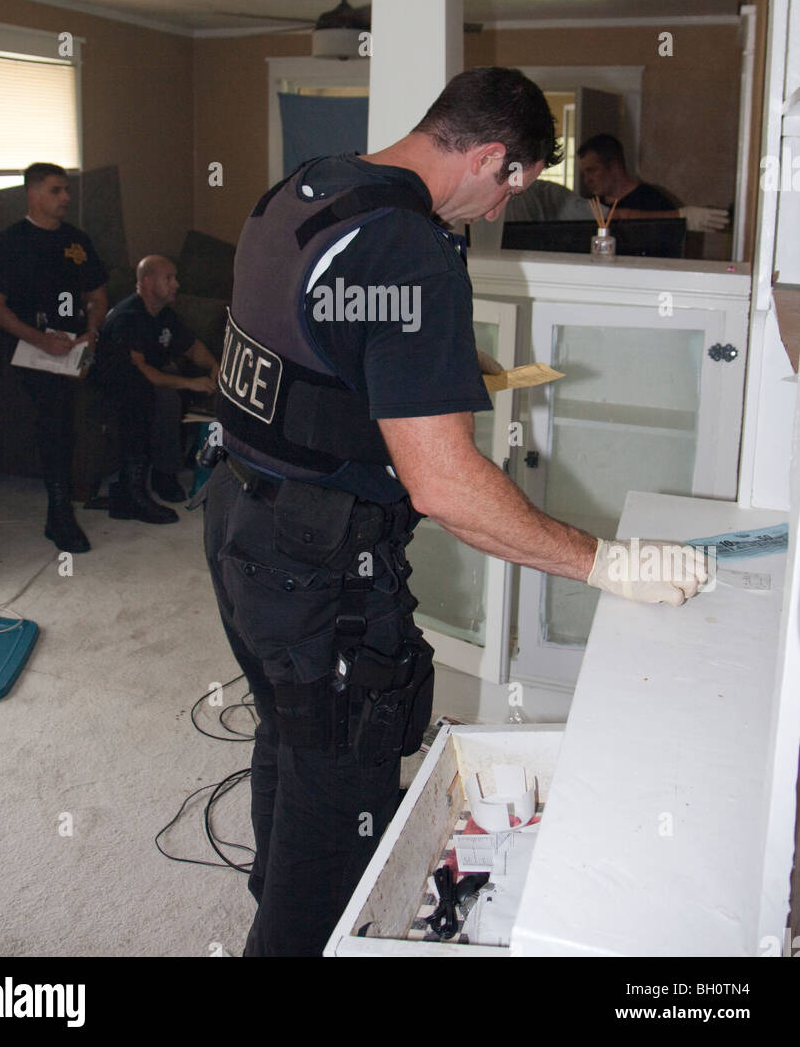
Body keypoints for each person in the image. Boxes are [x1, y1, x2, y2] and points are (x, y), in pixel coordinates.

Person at [201, 66, 708, 958]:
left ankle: (268, 901)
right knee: (340, 816)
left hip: (239, 525)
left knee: (287, 737)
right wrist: (607, 563)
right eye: (513, 184)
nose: (499, 208)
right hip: (322, 571)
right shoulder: (410, 248)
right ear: (491, 159)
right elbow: (444, 487)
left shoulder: (305, 190)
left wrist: (428, 364)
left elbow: (314, 340)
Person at [0, 163, 108, 553]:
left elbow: (98, 297)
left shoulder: (77, 241)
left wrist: (91, 333)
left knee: (129, 371)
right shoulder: (11, 242)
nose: (65, 198)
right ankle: (59, 513)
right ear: (33, 195)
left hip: (74, 344)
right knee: (55, 410)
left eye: (66, 190)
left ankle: (136, 487)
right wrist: (40, 340)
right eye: (56, 191)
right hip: (29, 347)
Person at [94, 255, 218, 523]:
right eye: (169, 278)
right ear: (147, 282)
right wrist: (190, 383)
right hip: (117, 388)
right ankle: (135, 490)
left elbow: (192, 346)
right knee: (168, 395)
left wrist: (213, 367)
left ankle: (165, 474)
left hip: (147, 380)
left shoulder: (163, 314)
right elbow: (141, 372)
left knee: (176, 385)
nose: (176, 283)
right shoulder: (128, 317)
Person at [577, 134, 728, 231]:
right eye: (584, 173)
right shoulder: (590, 205)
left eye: (592, 170)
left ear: (614, 166)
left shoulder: (653, 199)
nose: (587, 180)